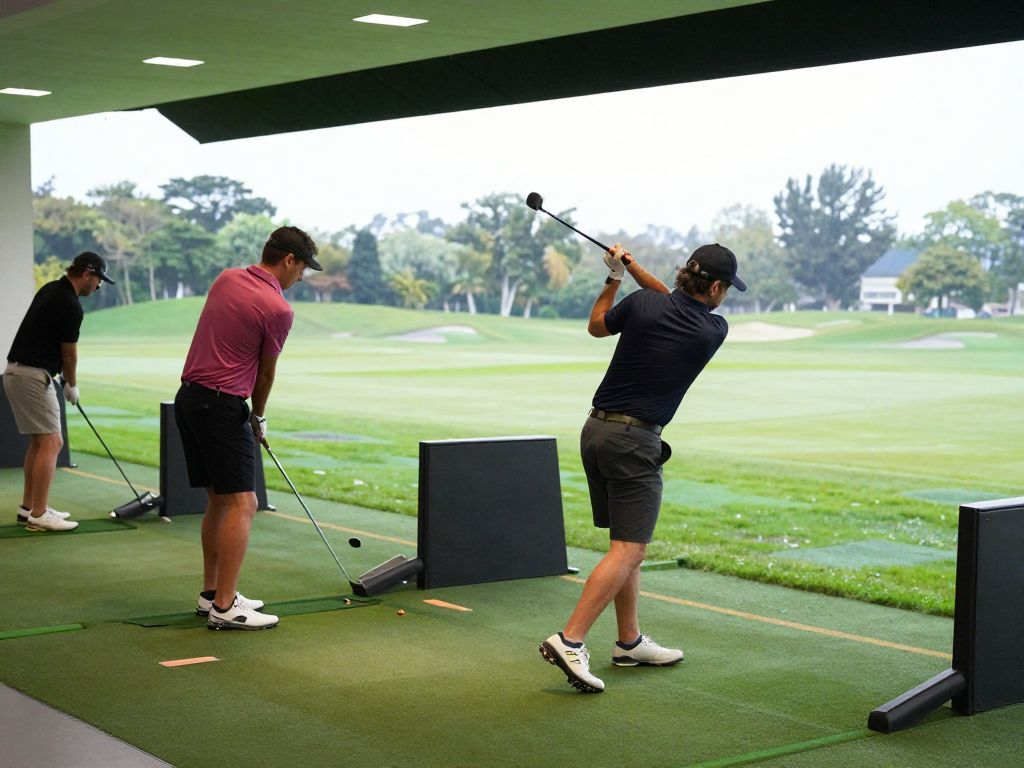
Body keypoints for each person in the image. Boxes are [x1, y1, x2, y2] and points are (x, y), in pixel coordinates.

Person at [539, 242, 745, 693]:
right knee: (629, 549)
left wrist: (616, 277)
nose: (725, 296)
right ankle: (570, 639)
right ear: (714, 286)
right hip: (634, 441)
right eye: (725, 287)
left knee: (627, 542)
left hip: (595, 432)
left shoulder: (642, 303)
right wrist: (631, 269)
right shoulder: (713, 329)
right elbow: (673, 302)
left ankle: (629, 642)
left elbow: (598, 325)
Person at [174, 226, 321, 631]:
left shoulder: (226, 277)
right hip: (223, 405)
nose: (302, 277)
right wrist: (258, 415)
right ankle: (226, 606)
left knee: (220, 501)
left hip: (188, 399)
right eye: (303, 268)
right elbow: (266, 373)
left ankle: (211, 595)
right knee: (244, 503)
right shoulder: (278, 309)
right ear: (289, 260)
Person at [5, 251, 114, 532]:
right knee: (53, 443)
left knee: (41, 443)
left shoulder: (51, 289)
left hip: (17, 372)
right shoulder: (70, 304)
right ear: (87, 274)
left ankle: (29, 508)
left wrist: (64, 380)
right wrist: (72, 384)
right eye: (98, 280)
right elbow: (69, 354)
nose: (98, 286)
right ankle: (40, 513)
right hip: (32, 375)